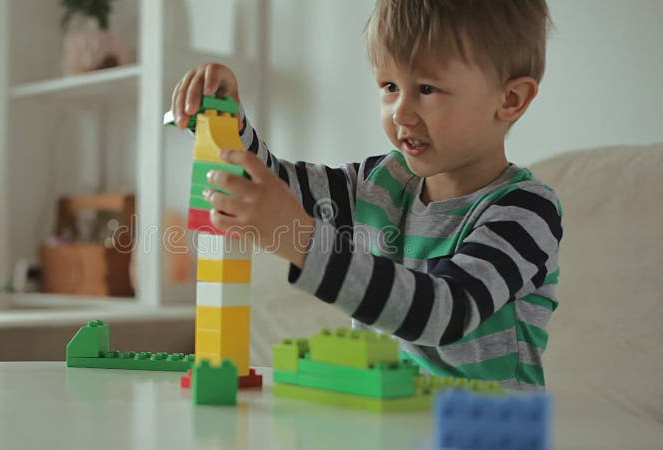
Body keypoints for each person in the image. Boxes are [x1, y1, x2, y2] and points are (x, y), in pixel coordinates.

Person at [170, 0, 561, 391]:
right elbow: (276, 186)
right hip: (388, 416)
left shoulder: (525, 210)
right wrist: (227, 122)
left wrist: (303, 242)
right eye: (390, 86)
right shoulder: (379, 182)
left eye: (426, 88)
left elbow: (446, 312)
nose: (401, 113)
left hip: (485, 428)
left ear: (509, 99)